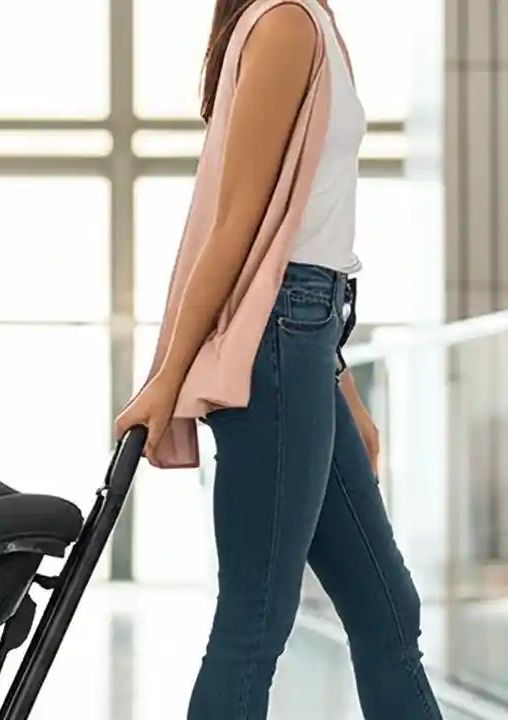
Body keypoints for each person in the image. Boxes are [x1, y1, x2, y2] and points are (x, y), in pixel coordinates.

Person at [114, 1, 443, 718]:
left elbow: (302, 240)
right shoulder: (286, 23)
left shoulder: (308, 22)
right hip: (281, 340)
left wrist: (342, 390)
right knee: (254, 622)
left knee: (388, 611)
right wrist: (166, 378)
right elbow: (237, 225)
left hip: (307, 337)